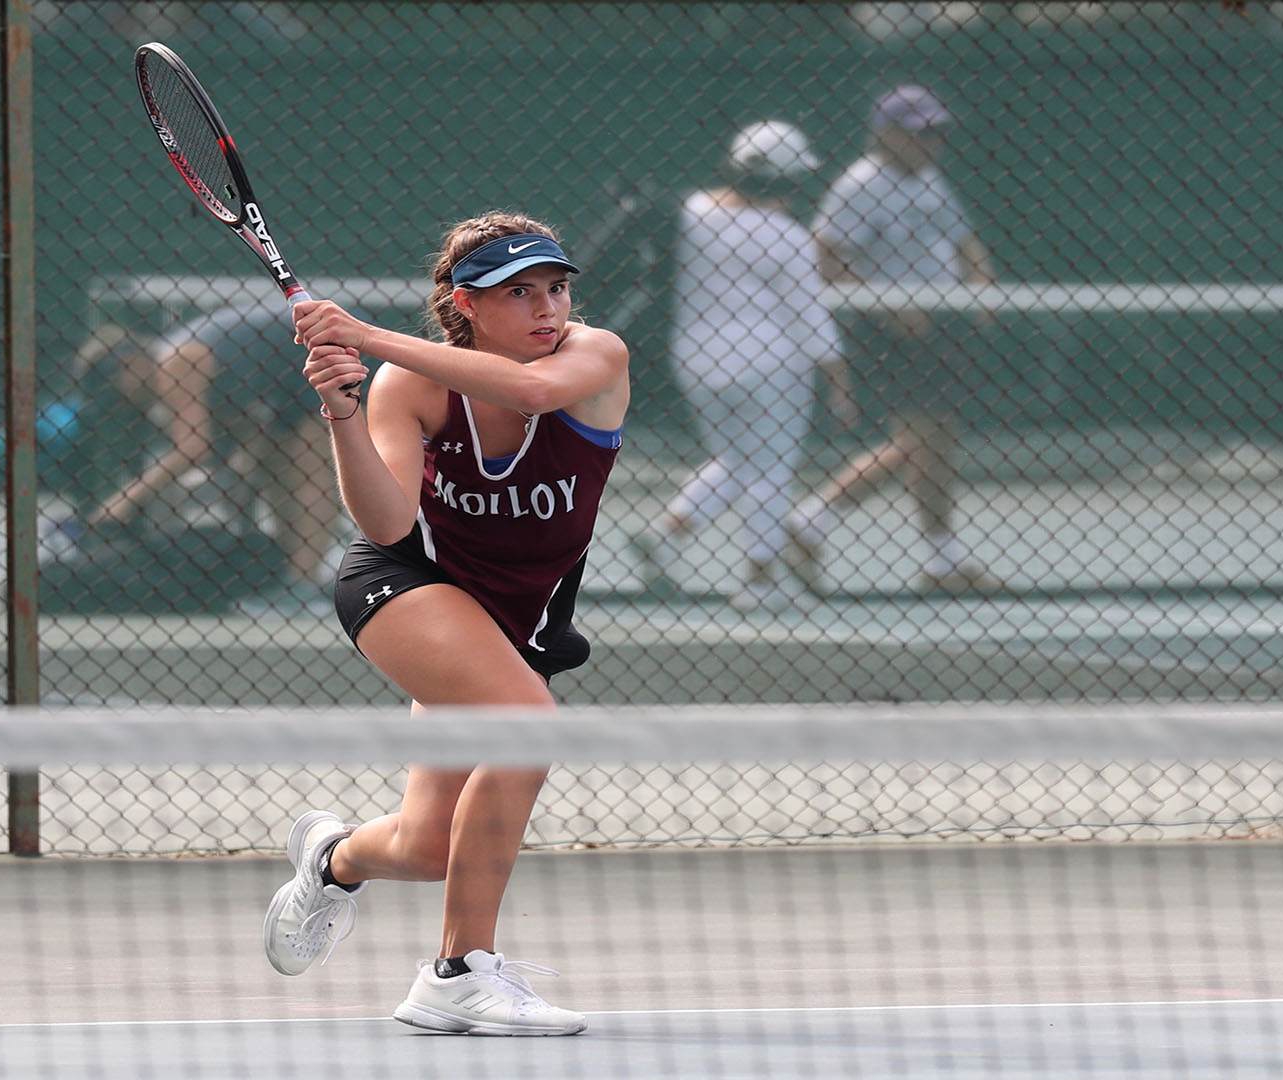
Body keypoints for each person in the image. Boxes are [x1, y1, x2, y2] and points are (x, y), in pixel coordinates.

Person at [262, 212, 627, 1037]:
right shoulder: (411, 387)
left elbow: (532, 393)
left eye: (556, 287)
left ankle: (332, 860)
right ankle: (459, 975)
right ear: (467, 304)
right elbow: (389, 524)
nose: (547, 307)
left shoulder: (596, 356)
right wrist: (343, 414)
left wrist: (363, 334)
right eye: (518, 293)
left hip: (512, 619)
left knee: (430, 849)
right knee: (529, 728)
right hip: (408, 588)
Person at [784, 83, 1001, 595]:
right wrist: (888, 305)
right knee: (923, 440)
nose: (932, 142)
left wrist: (982, 283)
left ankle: (934, 558)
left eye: (937, 132)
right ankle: (816, 521)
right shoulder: (860, 185)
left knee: (933, 441)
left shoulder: (930, 179)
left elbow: (963, 240)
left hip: (942, 323)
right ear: (885, 134)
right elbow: (825, 256)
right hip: (892, 334)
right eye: (920, 133)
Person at [628, 120, 851, 612]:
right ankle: (761, 579)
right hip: (772, 364)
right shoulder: (788, 236)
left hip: (696, 359)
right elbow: (810, 316)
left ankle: (668, 532)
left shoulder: (691, 213)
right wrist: (839, 381)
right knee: (770, 467)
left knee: (738, 459)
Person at [79, 302, 341, 614]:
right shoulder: (183, 356)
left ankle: (303, 586)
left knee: (307, 471)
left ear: (130, 364)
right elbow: (246, 424)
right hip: (294, 371)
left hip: (326, 350)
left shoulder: (175, 362)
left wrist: (124, 501)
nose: (121, 399)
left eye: (114, 387)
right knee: (280, 469)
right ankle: (292, 577)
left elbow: (193, 447)